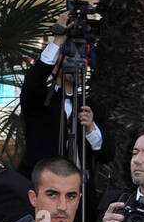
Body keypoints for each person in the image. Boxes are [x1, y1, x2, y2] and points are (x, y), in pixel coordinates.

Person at [18, 10, 114, 195]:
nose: (78, 65)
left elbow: (107, 154)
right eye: (71, 59)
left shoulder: (91, 106)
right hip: (38, 190)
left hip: (80, 196)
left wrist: (92, 130)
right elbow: (33, 80)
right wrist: (58, 41)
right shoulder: (39, 99)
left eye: (82, 61)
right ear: (55, 67)